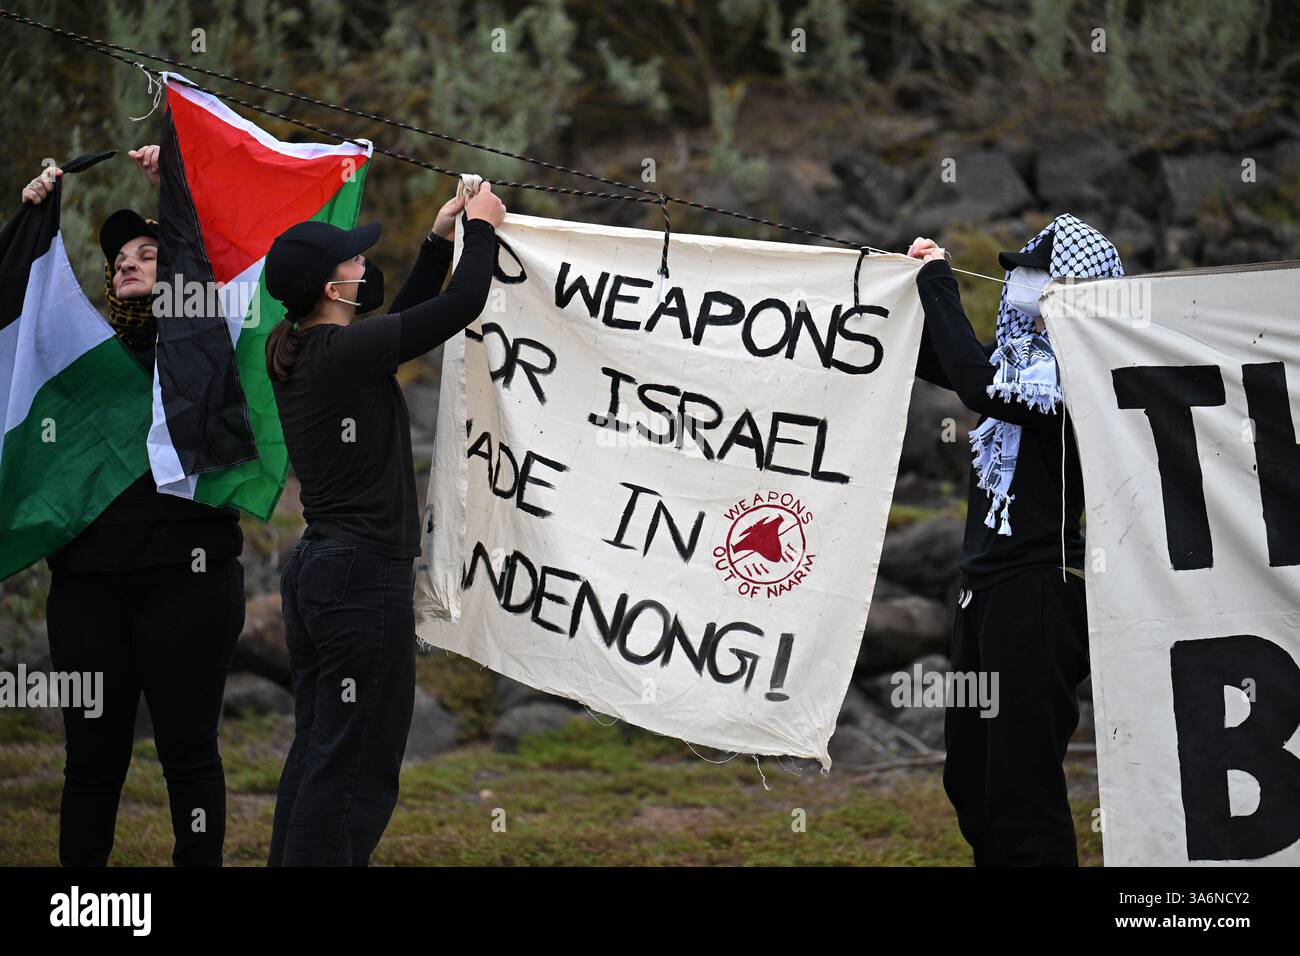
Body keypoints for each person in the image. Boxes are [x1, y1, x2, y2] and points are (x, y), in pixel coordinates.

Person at [262, 181, 506, 866]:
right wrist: (482, 231)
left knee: (322, 750)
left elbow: (400, 327)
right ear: (330, 290)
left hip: (324, 574)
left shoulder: (306, 350)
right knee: (356, 768)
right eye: (352, 263)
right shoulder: (343, 354)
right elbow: (463, 305)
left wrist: (437, 241)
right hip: (359, 580)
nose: (364, 266)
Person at [22, 148, 246, 867]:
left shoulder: (209, 342)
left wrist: (182, 193)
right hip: (86, 586)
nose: (128, 260)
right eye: (120, 254)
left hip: (189, 580)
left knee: (187, 751)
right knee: (90, 762)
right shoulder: (75, 358)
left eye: (149, 251)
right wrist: (29, 222)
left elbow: (239, 267)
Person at [906, 214, 1124, 866]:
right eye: (1019, 273)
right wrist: (894, 287)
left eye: (1036, 274)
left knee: (1021, 792)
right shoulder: (1015, 361)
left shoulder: (1073, 381)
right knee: (971, 779)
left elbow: (975, 385)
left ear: (1076, 290)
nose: (1020, 285)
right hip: (982, 594)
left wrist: (939, 283)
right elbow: (938, 359)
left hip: (1036, 592)